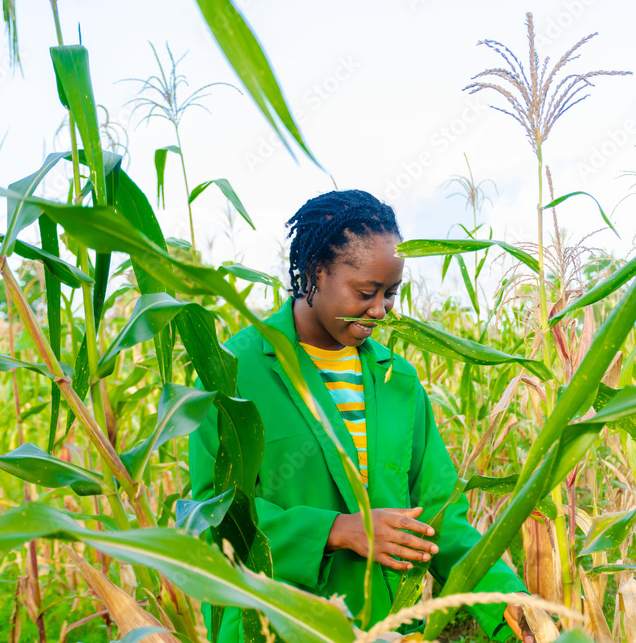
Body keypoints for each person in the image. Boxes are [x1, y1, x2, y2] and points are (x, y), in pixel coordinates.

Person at [189, 190, 533, 642]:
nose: (380, 310)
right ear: (315, 274)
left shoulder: (399, 382)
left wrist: (518, 613)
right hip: (273, 628)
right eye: (366, 292)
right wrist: (337, 530)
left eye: (391, 294)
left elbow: (440, 519)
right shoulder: (232, 371)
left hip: (386, 629)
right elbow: (210, 519)